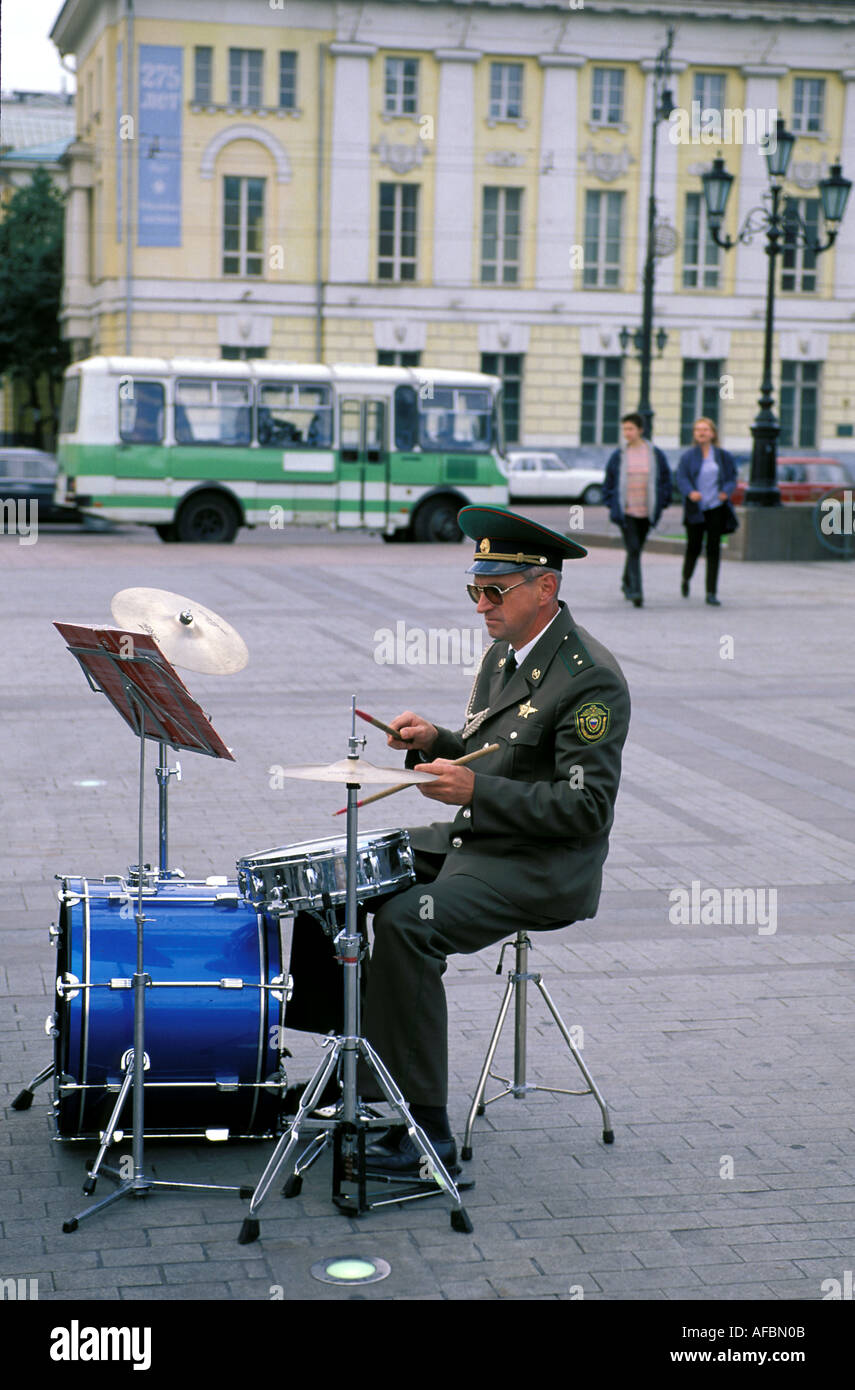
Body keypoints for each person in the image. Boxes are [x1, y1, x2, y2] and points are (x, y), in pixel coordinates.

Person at [361, 506, 631, 1176]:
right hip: (484, 837)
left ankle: (424, 1136)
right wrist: (436, 744)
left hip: (543, 864)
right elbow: (496, 754)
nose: (480, 603)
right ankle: (357, 1089)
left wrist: (473, 792)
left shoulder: (589, 678)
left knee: (405, 924)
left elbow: (584, 808)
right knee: (342, 877)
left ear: (544, 588)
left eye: (495, 590)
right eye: (473, 589)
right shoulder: (502, 654)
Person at [602, 412, 672, 608]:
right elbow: (608, 483)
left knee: (635, 550)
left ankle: (626, 581)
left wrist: (663, 502)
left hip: (647, 511)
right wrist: (611, 503)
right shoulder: (619, 455)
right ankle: (637, 592)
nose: (627, 432)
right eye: (624, 429)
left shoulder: (655, 454)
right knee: (633, 548)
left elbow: (665, 480)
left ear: (640, 430)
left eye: (630, 428)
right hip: (627, 512)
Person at [676, 417, 738, 607]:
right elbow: (681, 477)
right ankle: (686, 578)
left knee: (714, 550)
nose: (701, 433)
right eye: (697, 430)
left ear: (712, 433)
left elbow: (731, 477)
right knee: (693, 548)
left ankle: (711, 592)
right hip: (695, 509)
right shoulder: (688, 457)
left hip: (716, 508)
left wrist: (725, 492)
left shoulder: (722, 456)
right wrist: (690, 492)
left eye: (705, 429)